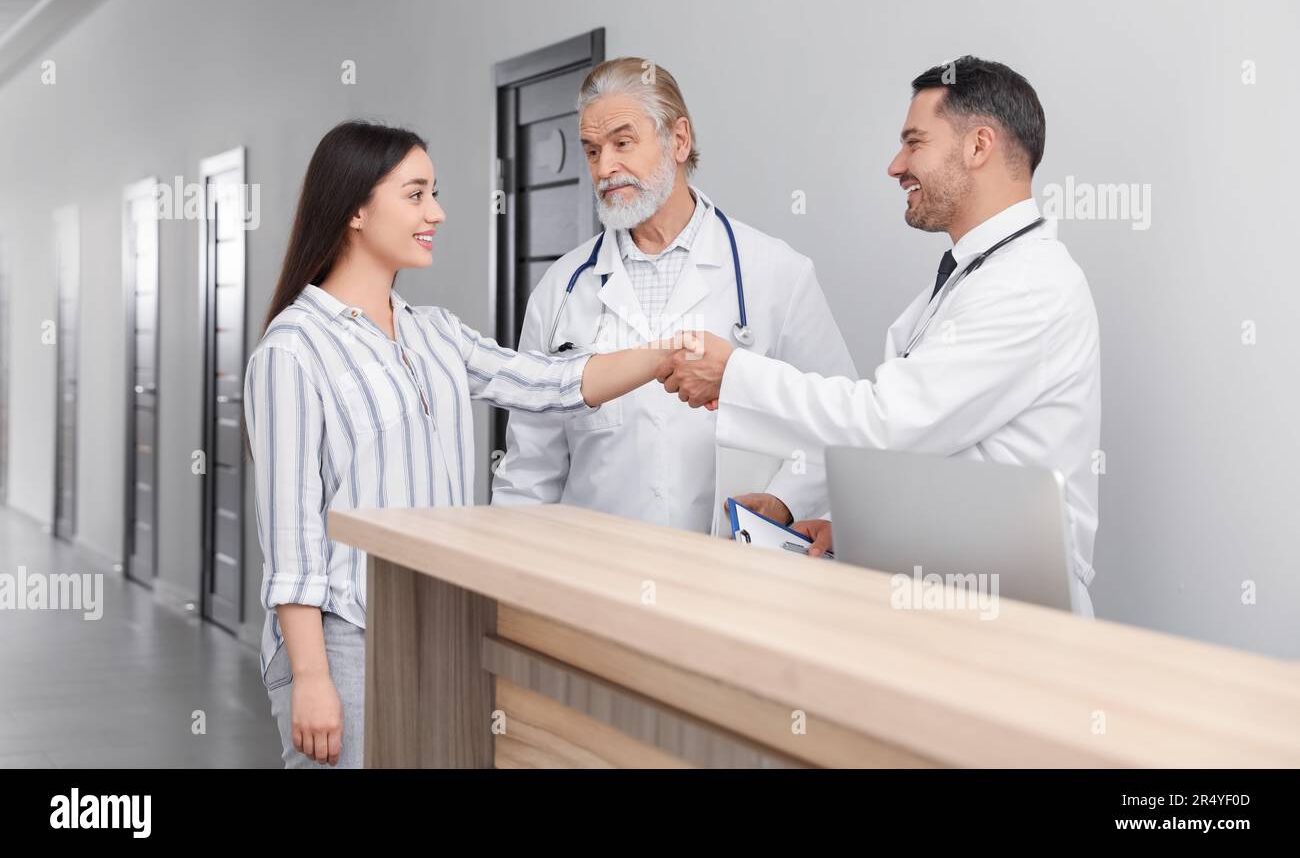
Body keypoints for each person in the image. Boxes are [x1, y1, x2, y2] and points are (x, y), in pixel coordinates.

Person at [244, 120, 681, 767]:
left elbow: (554, 382)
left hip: (440, 632)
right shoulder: (294, 349)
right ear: (357, 209)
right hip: (346, 641)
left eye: (435, 194)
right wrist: (311, 678)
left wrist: (671, 354)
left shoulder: (435, 335)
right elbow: (291, 538)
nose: (438, 213)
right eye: (417, 195)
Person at [658, 56, 1102, 615]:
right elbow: (930, 455)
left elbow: (887, 422)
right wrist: (822, 519)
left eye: (914, 142)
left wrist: (733, 374)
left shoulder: (1031, 285)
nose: (896, 165)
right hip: (956, 593)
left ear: (978, 146)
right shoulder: (969, 280)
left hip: (1013, 612)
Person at [491, 57, 856, 532]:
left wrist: (784, 500)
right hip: (597, 575)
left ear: (679, 140)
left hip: (732, 571)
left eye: (623, 143)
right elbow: (530, 469)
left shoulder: (775, 272)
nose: (605, 167)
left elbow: (840, 422)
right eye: (592, 150)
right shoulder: (559, 291)